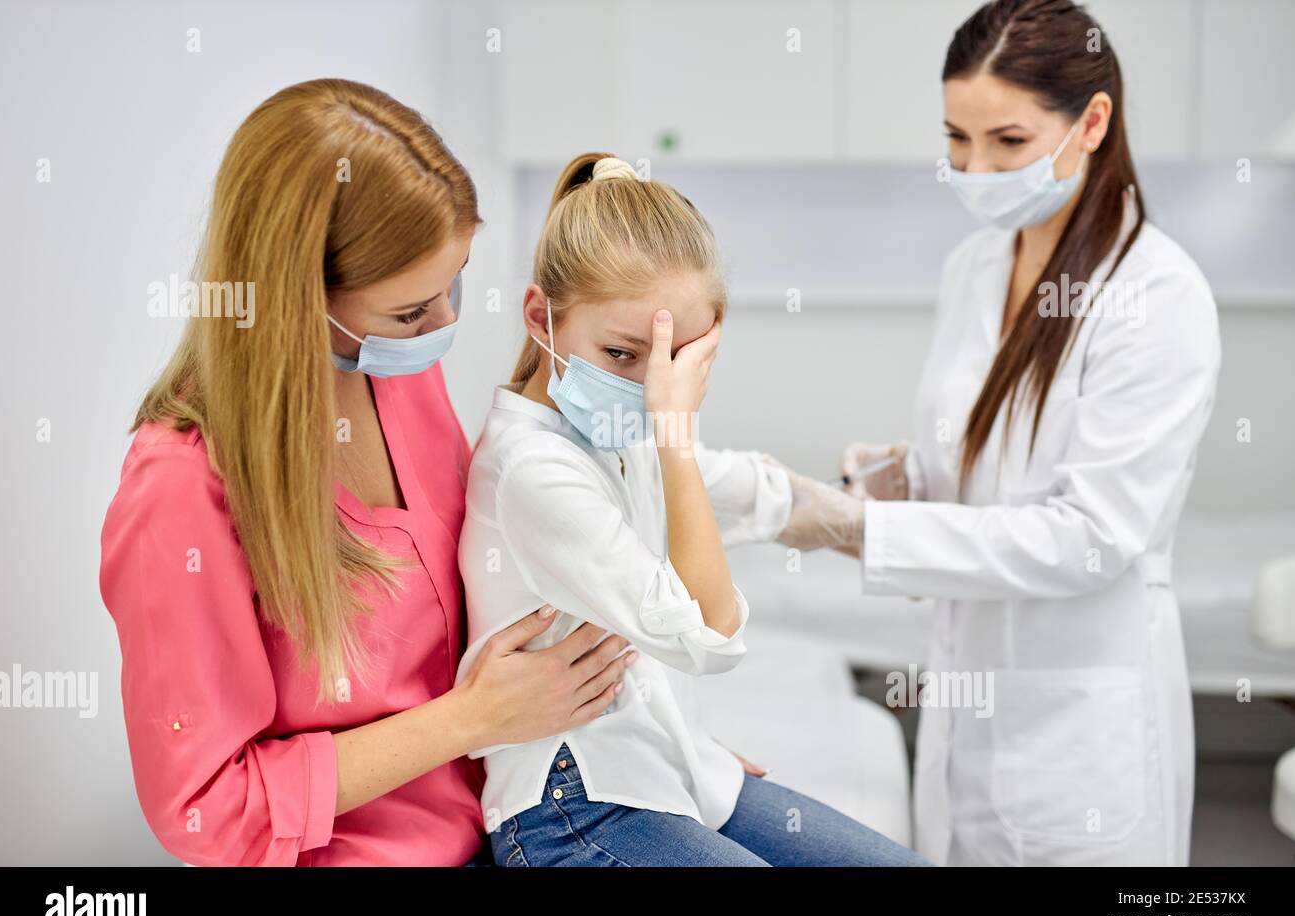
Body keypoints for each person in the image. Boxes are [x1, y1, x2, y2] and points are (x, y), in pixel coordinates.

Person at [98, 79, 634, 866]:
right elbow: (207, 812)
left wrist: (661, 751)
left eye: (450, 288)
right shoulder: (180, 490)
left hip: (510, 814)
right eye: (410, 313)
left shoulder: (396, 374)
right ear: (293, 302)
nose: (444, 326)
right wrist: (468, 721)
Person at [808, 0, 1220, 865]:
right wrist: (893, 483)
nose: (974, 167)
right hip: (966, 708)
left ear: (1092, 123)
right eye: (957, 140)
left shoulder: (1154, 296)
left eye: (1008, 142)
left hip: (1079, 739)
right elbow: (977, 466)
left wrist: (872, 531)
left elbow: (1091, 537)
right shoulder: (975, 268)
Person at [454, 153, 930, 866]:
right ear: (540, 318)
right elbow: (706, 634)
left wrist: (900, 539)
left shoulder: (618, 435)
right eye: (621, 354)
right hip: (571, 810)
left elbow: (758, 494)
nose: (649, 387)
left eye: (671, 363)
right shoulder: (535, 471)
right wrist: (677, 432)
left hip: (670, 772)